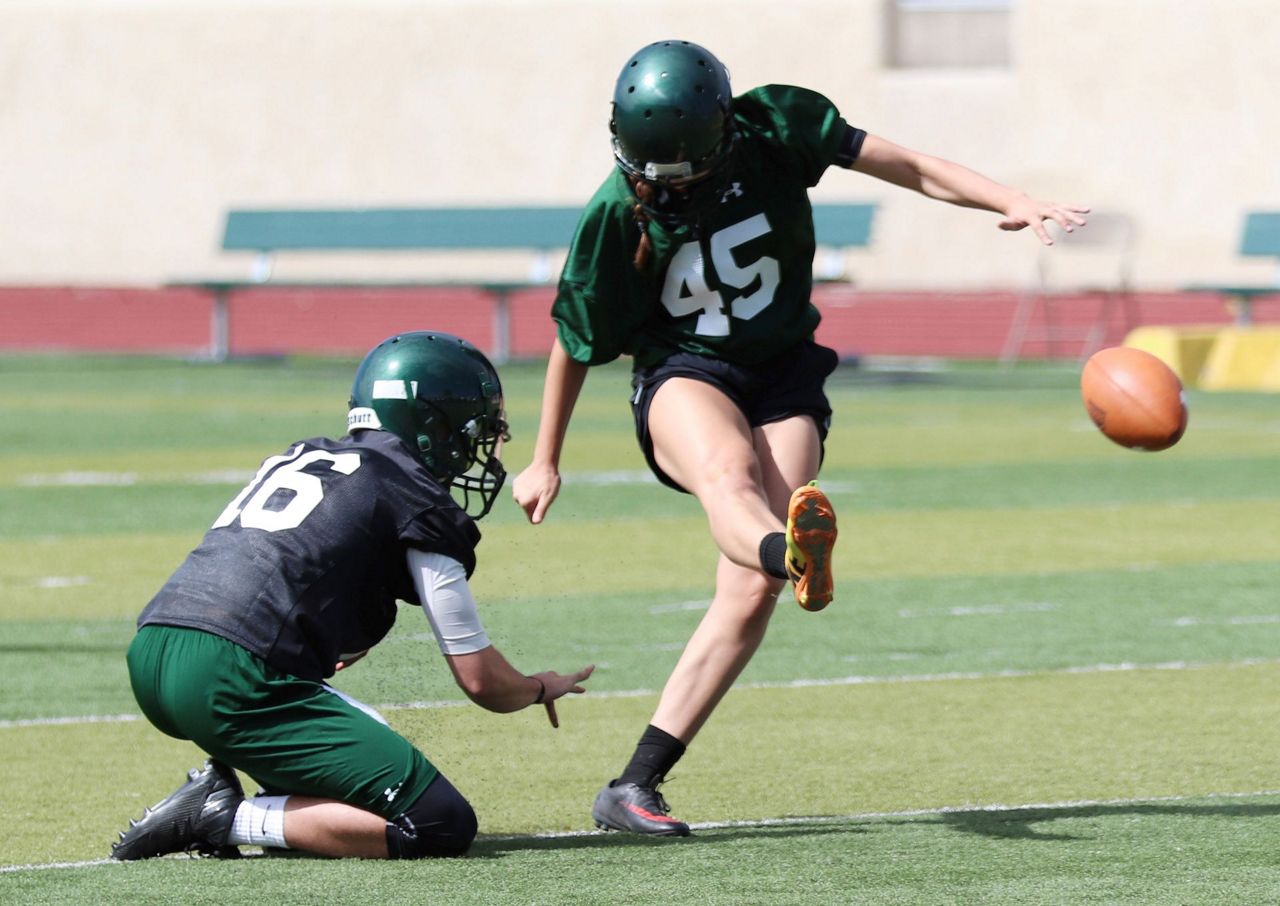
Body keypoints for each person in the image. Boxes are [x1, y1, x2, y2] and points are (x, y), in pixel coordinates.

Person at [512, 40, 1088, 836]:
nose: (659, 181)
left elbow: (906, 165)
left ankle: (634, 784)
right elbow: (574, 339)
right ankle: (792, 550)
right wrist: (545, 457)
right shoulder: (616, 210)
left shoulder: (778, 123)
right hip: (686, 367)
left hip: (783, 373)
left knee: (748, 591)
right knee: (726, 474)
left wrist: (1006, 197)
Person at [111, 331, 594, 861]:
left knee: (359, 771)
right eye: (472, 428)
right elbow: (480, 680)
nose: (477, 445)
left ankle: (270, 813)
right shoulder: (417, 498)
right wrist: (536, 687)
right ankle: (224, 816)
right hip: (232, 677)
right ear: (431, 423)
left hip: (156, 648)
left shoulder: (307, 455)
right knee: (438, 823)